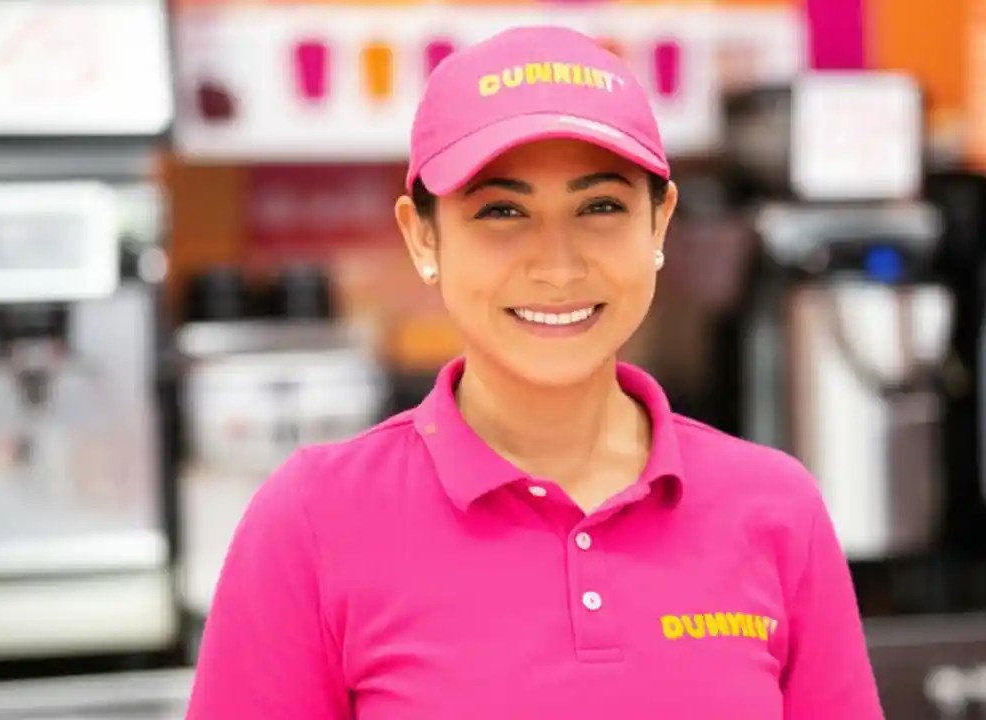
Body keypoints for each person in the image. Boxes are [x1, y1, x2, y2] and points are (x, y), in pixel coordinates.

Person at [186, 25, 884, 720]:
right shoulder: (311, 521)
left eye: (601, 207)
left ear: (659, 224)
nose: (557, 264)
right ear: (422, 237)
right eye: (502, 211)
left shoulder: (776, 509)